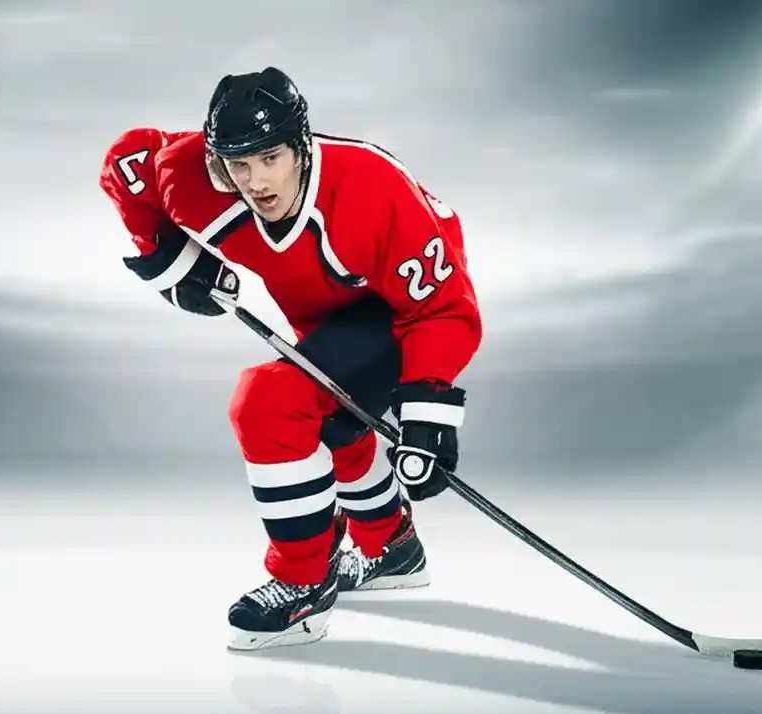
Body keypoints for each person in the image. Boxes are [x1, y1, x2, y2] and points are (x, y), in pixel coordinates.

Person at [98, 67, 482, 650]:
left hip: (400, 311)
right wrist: (170, 261)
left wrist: (426, 409)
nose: (254, 181)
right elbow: (128, 168)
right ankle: (390, 547)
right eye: (238, 164)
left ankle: (302, 586)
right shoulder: (191, 173)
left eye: (270, 158)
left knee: (271, 402)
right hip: (323, 317)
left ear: (301, 145)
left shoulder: (371, 189)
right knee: (329, 417)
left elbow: (444, 309)